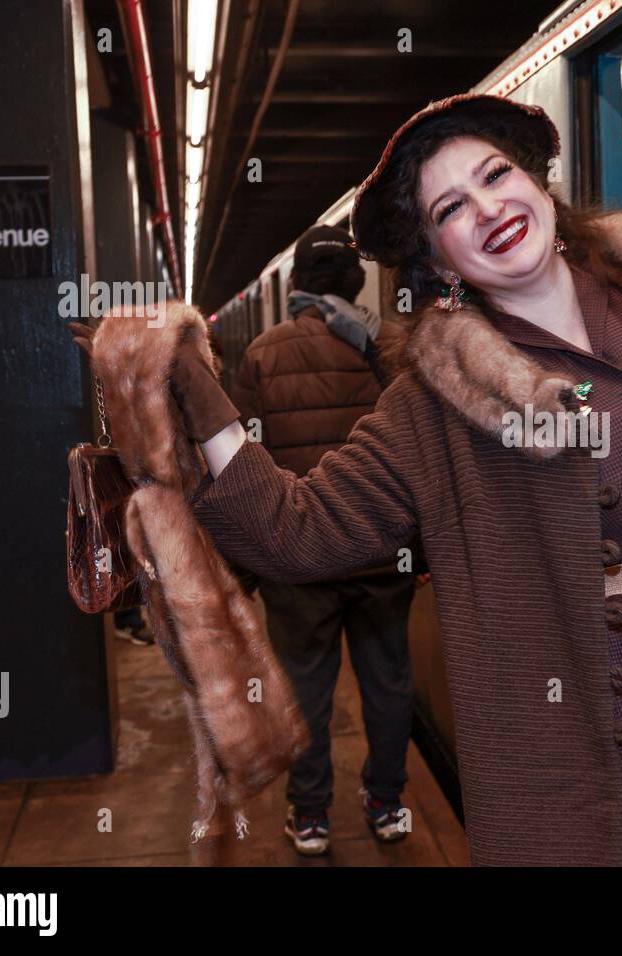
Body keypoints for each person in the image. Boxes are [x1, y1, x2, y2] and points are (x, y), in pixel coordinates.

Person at [72, 93, 622, 866]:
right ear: (437, 257)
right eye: (451, 210)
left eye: (495, 175)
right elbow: (300, 531)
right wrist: (197, 392)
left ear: (537, 183)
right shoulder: (435, 409)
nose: (488, 210)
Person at [230, 225, 421, 854]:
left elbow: (239, 465)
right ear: (353, 284)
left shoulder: (262, 354)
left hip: (296, 558)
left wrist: (250, 557)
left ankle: (309, 816)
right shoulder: (386, 353)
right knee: (388, 682)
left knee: (306, 687)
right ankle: (388, 802)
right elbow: (415, 460)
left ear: (299, 285)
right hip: (377, 555)